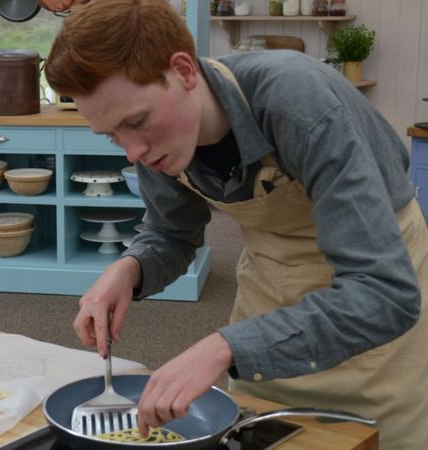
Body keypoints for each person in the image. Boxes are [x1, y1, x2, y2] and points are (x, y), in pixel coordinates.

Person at [44, 1, 428, 449]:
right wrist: (129, 270)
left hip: (372, 318)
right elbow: (172, 233)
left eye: (135, 122)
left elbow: (384, 294)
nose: (132, 152)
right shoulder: (154, 139)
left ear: (184, 71)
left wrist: (224, 347)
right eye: (111, 134)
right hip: (271, 296)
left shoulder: (299, 102)